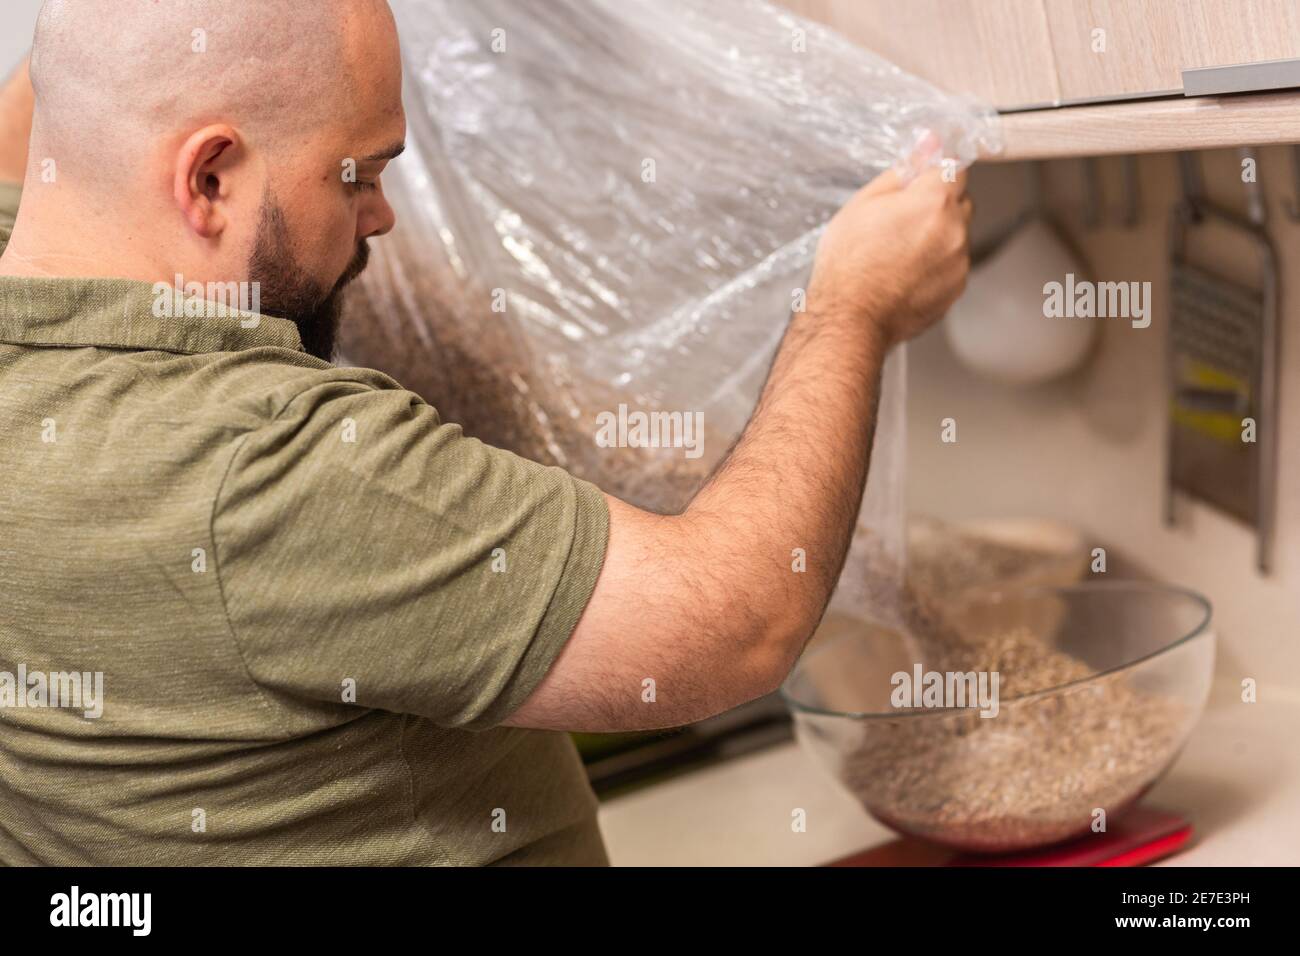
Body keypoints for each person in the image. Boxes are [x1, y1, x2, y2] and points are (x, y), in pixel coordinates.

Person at [0, 0, 971, 865]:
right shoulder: (267, 460)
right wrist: (851, 307)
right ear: (207, 178)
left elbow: (67, 79)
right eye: (359, 174)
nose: (381, 216)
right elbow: (729, 630)